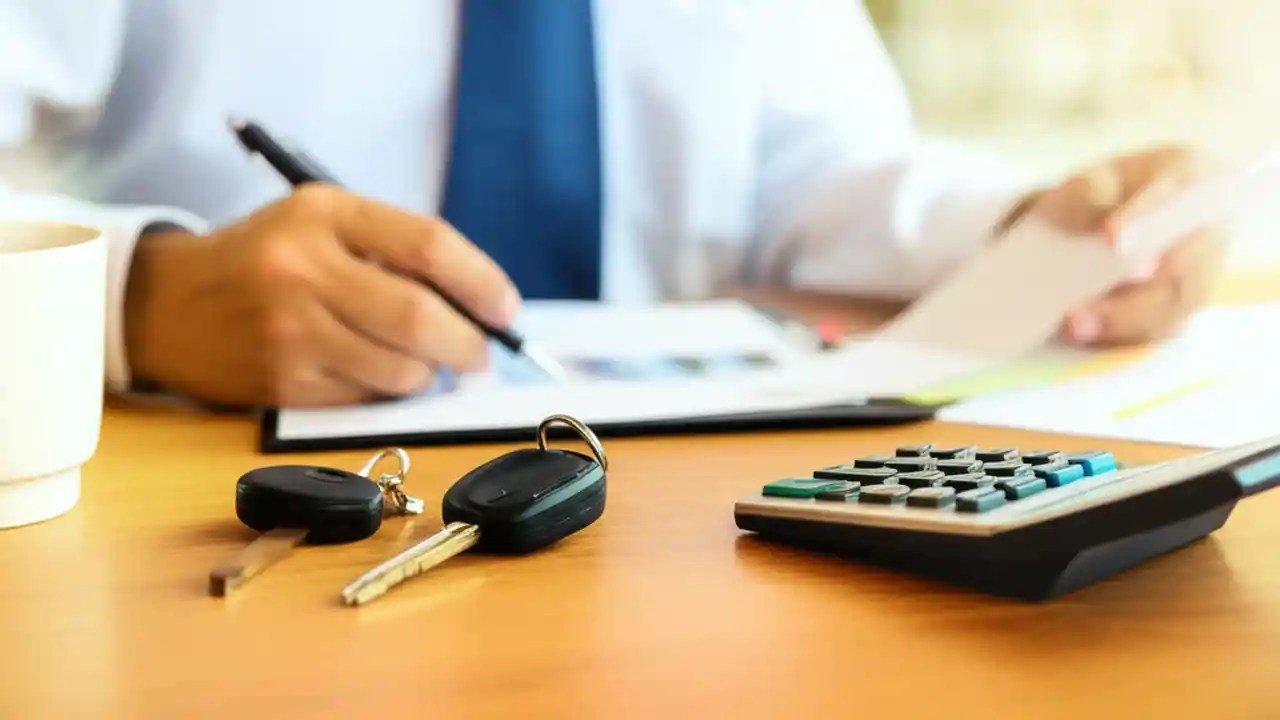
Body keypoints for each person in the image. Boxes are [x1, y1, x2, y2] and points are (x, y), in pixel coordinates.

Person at [0, 1, 1225, 407]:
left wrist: (1032, 234)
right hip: (226, 504)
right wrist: (132, 296)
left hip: (664, 527)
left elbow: (823, 177)